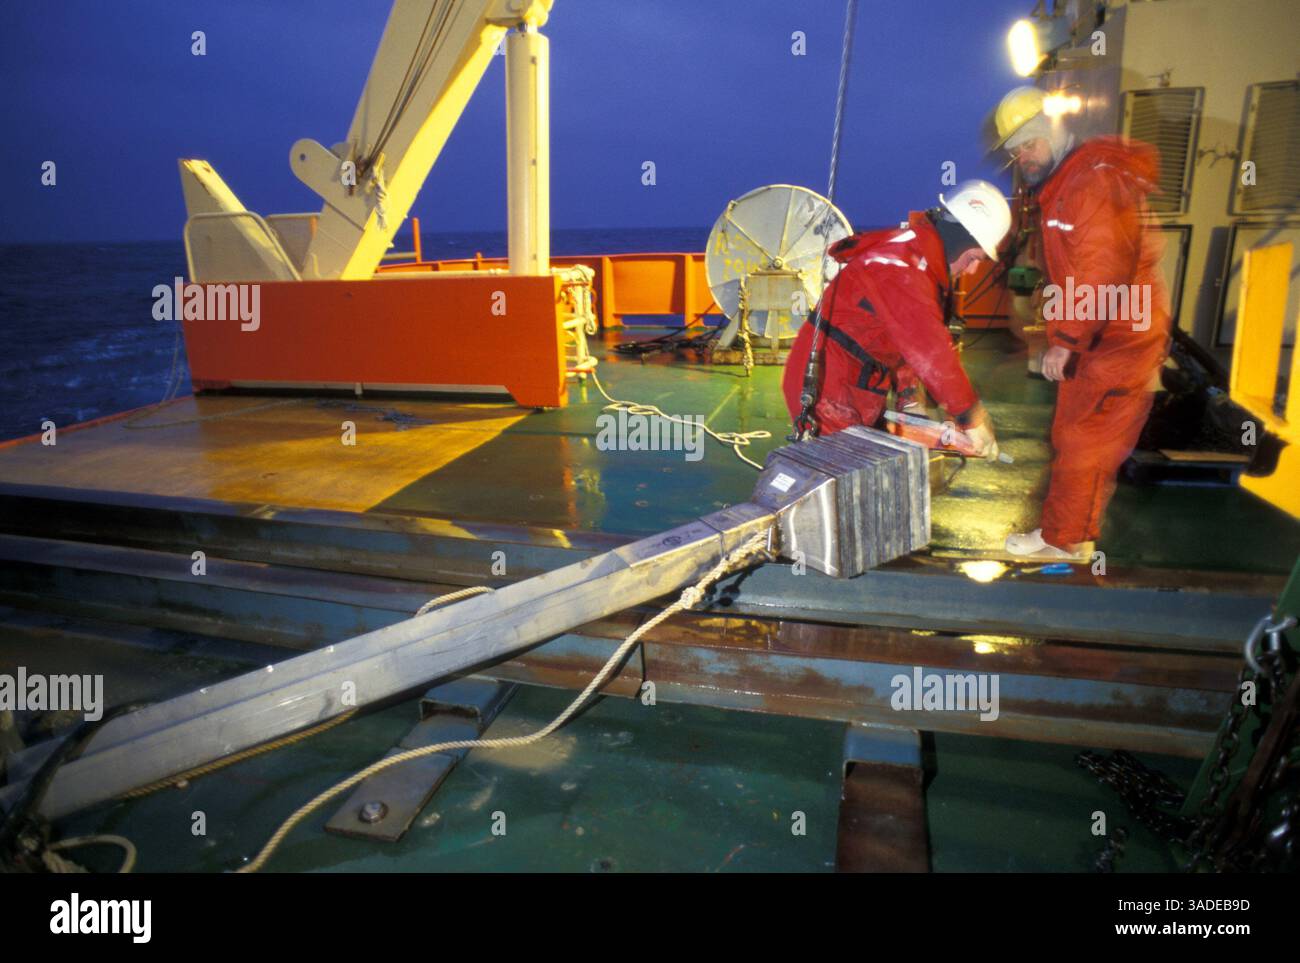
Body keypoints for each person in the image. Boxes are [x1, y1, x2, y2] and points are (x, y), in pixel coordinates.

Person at [993, 86, 1172, 561]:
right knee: (1077, 438)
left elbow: (1101, 265)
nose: (1023, 158)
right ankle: (1069, 533)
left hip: (1116, 339)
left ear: (1051, 132)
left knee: (1083, 442)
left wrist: (1067, 339)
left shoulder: (1089, 182)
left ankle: (1064, 541)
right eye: (1016, 152)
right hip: (1105, 333)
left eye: (1028, 145)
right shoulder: (1067, 181)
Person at [783, 180, 1010, 459]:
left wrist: (909, 399)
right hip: (827, 386)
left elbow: (902, 341)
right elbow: (930, 349)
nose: (973, 270)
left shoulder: (917, 259)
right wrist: (971, 417)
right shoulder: (901, 268)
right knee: (844, 479)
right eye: (973, 257)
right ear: (958, 241)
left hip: (852, 383)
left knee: (859, 476)